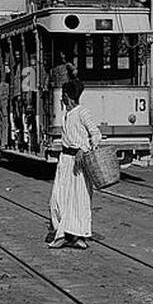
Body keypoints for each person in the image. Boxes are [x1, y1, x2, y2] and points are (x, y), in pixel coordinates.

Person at [48, 78, 102, 248]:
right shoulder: (67, 114)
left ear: (67, 96)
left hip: (78, 164)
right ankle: (63, 232)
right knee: (58, 199)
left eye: (63, 95)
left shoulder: (82, 112)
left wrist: (83, 149)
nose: (61, 99)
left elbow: (96, 134)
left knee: (78, 199)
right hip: (65, 162)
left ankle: (75, 235)